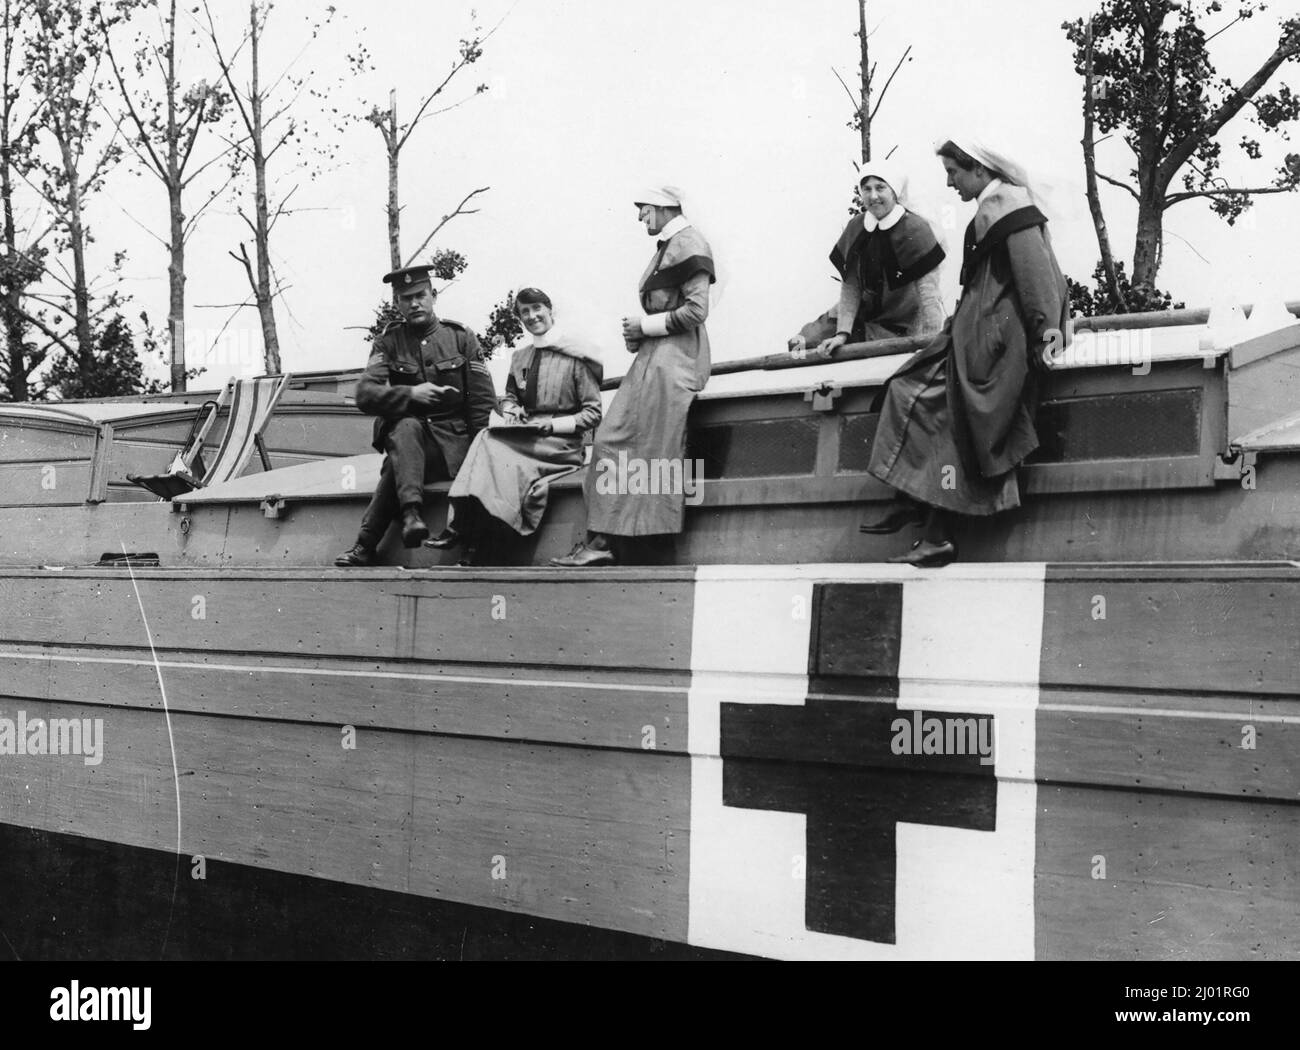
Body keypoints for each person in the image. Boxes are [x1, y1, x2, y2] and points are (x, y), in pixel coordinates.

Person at [861, 137, 1068, 567]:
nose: (951, 183)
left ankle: (933, 531)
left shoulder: (1011, 211)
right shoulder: (993, 210)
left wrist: (1048, 339)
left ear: (977, 169)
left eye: (954, 173)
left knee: (944, 416)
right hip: (973, 338)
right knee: (903, 389)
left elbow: (1040, 283)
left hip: (995, 346)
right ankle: (913, 501)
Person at [550, 185, 715, 567]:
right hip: (657, 358)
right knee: (616, 442)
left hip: (676, 361)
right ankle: (605, 540)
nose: (640, 217)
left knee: (632, 443)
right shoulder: (671, 245)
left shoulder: (690, 243)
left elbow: (696, 311)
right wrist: (640, 333)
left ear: (661, 208)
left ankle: (616, 541)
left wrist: (644, 325)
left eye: (643, 210)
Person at [334, 265, 496, 567]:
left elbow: (482, 403)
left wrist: (481, 456)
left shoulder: (460, 337)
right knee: (405, 427)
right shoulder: (388, 342)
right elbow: (365, 394)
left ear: (433, 296)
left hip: (452, 448)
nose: (414, 303)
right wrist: (410, 395)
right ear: (398, 304)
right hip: (409, 442)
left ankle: (370, 542)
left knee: (398, 461)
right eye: (405, 298)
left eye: (420, 295)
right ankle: (409, 514)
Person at [426, 287, 603, 563]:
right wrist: (512, 408)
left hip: (560, 445)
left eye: (537, 309)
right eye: (525, 312)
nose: (532, 317)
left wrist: (554, 427)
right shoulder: (521, 357)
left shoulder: (576, 356)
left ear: (549, 309)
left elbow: (593, 414)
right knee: (487, 439)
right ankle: (466, 530)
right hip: (526, 436)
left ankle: (471, 537)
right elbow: (510, 395)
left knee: (499, 456)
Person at [788, 160, 946, 355]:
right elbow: (851, 285)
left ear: (894, 191)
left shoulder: (915, 229)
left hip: (896, 323)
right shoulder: (857, 227)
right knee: (800, 345)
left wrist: (931, 345)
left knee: (846, 353)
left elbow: (929, 296)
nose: (873, 196)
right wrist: (842, 333)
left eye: (880, 188)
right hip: (858, 314)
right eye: (866, 189)